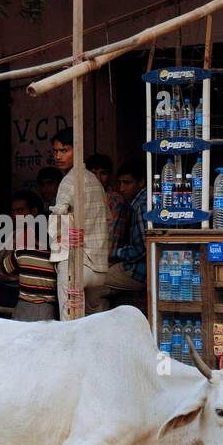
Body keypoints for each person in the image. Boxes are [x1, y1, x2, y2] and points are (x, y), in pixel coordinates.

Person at [50, 128, 110, 316]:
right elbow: (108, 217)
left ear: (77, 150)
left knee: (71, 322)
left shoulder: (69, 181)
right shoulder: (94, 180)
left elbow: (57, 220)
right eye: (56, 151)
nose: (59, 156)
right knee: (94, 321)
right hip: (99, 268)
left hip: (76, 265)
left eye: (64, 150)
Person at [0, 190, 56, 321]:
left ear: (34, 212)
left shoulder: (24, 248)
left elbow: (1, 268)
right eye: (13, 211)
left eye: (20, 211)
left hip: (25, 302)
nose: (15, 216)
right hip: (19, 296)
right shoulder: (13, 236)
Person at [99, 159, 147, 304]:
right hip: (142, 268)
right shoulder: (140, 202)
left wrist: (114, 253)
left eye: (127, 183)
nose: (122, 188)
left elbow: (141, 249)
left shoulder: (141, 206)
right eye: (120, 183)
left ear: (141, 182)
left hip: (140, 272)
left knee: (95, 284)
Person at [87, 152, 129, 261]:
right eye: (93, 173)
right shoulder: (80, 198)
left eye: (103, 173)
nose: (98, 178)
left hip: (105, 261)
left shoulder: (116, 201)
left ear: (110, 176)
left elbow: (113, 240)